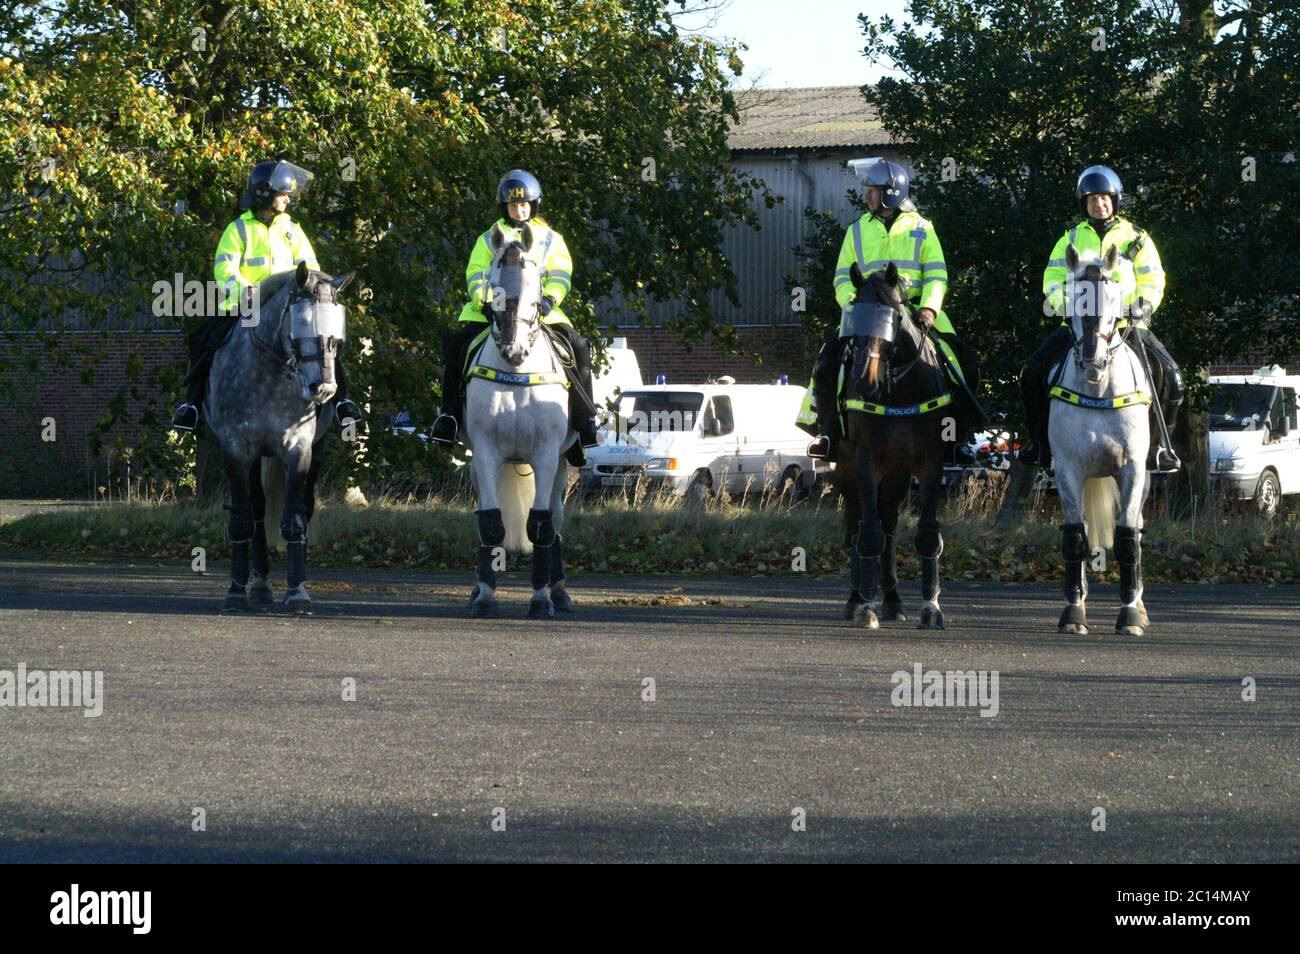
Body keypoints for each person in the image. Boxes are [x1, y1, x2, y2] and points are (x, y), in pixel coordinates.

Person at [169, 160, 364, 433]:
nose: (287, 200)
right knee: (202, 340)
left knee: (323, 344)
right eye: (283, 194)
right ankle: (191, 406)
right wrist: (244, 290)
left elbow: (311, 267)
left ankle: (342, 402)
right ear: (265, 194)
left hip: (289, 309)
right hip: (245, 306)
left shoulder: (293, 230)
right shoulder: (237, 229)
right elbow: (224, 269)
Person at [806, 158, 981, 460]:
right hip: (864, 314)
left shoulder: (922, 228)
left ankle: (958, 437)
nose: (866, 197)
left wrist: (930, 307)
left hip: (913, 312)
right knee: (827, 360)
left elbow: (937, 273)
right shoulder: (856, 230)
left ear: (891, 192)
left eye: (872, 191)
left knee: (964, 360)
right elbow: (840, 278)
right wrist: (853, 303)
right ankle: (828, 432)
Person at [429, 169, 599, 466]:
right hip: (490, 313)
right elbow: (476, 274)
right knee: (456, 346)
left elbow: (561, 273)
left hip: (541, 313)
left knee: (579, 347)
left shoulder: (551, 239)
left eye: (524, 205)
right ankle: (450, 418)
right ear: (504, 206)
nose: (519, 210)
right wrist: (486, 303)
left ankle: (584, 423)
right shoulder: (489, 238)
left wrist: (549, 301)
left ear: (533, 205)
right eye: (513, 205)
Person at [1019, 165, 1182, 471]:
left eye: (1104, 198)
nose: (1099, 204)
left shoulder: (1137, 237)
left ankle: (1159, 449)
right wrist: (1066, 306)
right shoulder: (1070, 238)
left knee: (1172, 377)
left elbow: (1154, 279)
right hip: (1079, 327)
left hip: (1126, 326)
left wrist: (1142, 306)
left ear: (1115, 200)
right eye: (1092, 199)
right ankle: (1039, 444)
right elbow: (1052, 278)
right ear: (1084, 203)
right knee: (1031, 373)